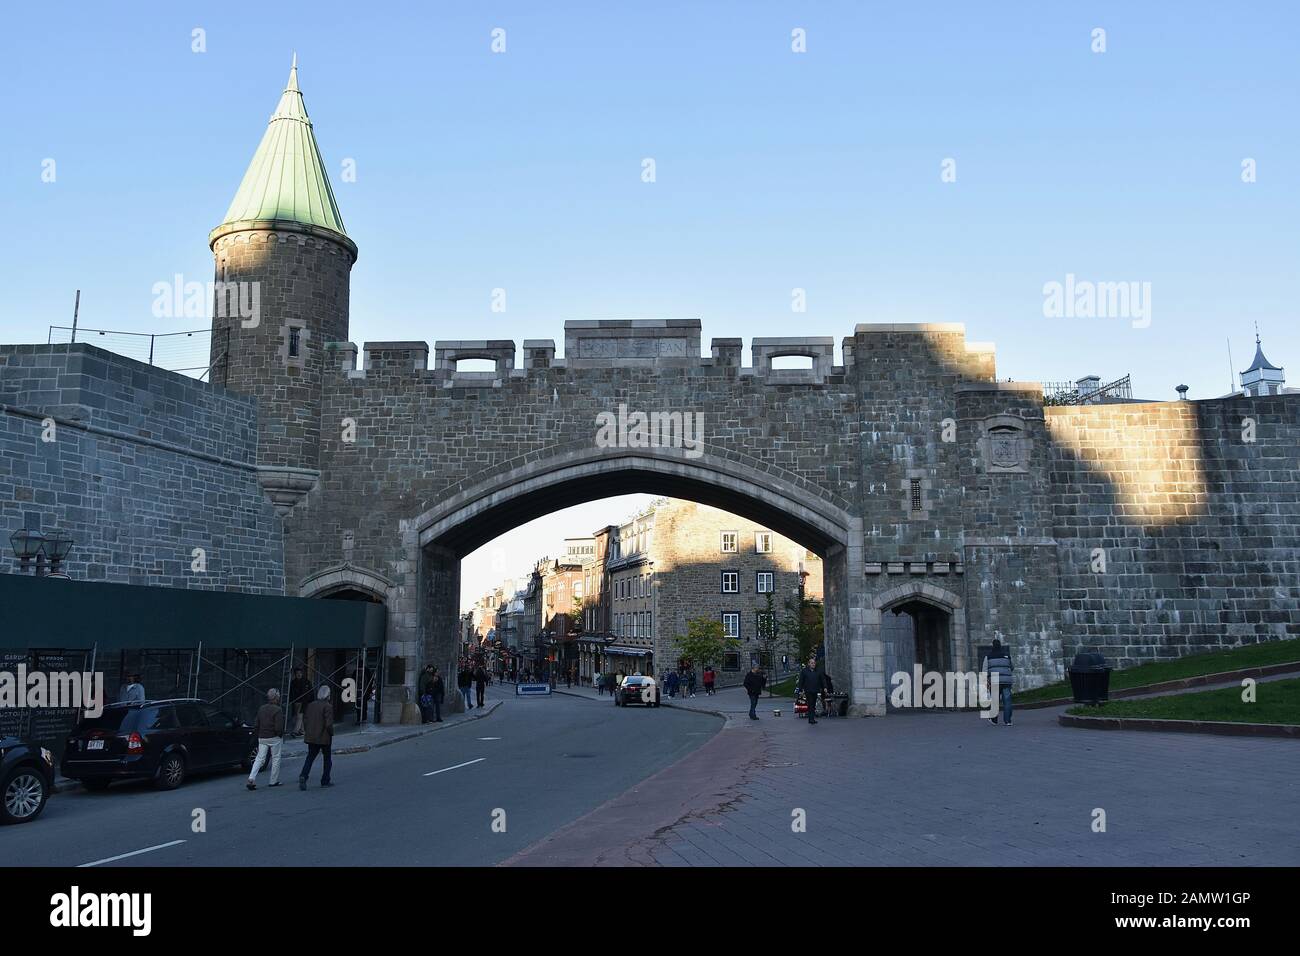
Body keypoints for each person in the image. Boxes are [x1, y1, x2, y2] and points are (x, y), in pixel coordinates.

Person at [246, 688, 285, 790]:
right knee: (276, 758)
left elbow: (256, 724)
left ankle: (251, 778)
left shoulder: (261, 708)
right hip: (274, 737)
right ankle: (273, 780)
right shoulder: (278, 710)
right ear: (277, 698)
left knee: (259, 758)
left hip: (262, 736)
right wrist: (280, 735)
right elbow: (279, 727)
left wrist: (258, 734)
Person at [299, 685, 334, 790]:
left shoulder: (311, 705)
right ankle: (325, 780)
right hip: (324, 737)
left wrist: (307, 730)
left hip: (311, 736)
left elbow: (305, 720)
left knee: (310, 757)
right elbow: (328, 724)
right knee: (327, 759)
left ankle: (303, 775)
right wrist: (331, 733)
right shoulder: (328, 706)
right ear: (328, 695)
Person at [982, 639, 1015, 726]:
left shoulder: (988, 657)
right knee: (1007, 701)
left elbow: (984, 671)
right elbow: (1012, 667)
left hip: (995, 681)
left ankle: (994, 720)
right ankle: (1008, 721)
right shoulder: (1007, 656)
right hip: (1006, 681)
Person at [798, 657, 822, 725]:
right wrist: (800, 689)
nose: (813, 664)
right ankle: (811, 719)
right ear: (809, 664)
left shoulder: (817, 671)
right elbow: (801, 680)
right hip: (808, 690)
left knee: (813, 704)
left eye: (814, 663)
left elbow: (821, 679)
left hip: (815, 690)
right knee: (810, 704)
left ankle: (812, 718)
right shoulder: (804, 671)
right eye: (812, 663)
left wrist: (824, 687)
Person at [289, 666, 310, 736]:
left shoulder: (306, 681)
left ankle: (295, 730)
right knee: (299, 716)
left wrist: (309, 700)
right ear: (295, 674)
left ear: (302, 673)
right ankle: (302, 731)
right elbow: (291, 692)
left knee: (299, 716)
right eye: (297, 673)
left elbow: (310, 691)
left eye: (300, 673)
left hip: (303, 701)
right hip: (296, 701)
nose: (299, 674)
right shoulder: (293, 682)